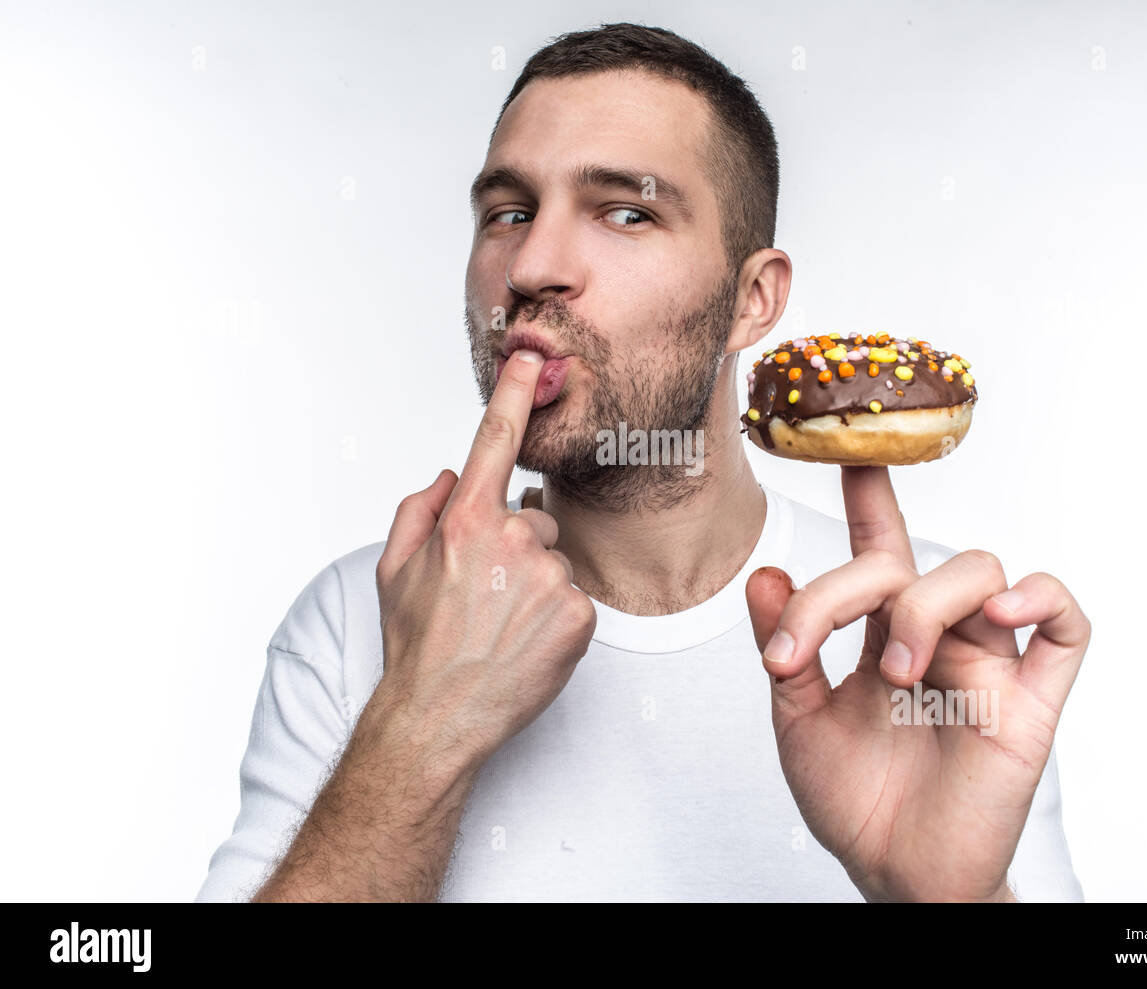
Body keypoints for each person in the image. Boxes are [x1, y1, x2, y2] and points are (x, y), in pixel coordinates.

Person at [197, 22, 1089, 902]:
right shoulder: (363, 619)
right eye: (508, 213)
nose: (534, 266)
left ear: (752, 300)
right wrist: (422, 722)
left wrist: (947, 899)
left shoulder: (926, 633)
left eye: (627, 212)